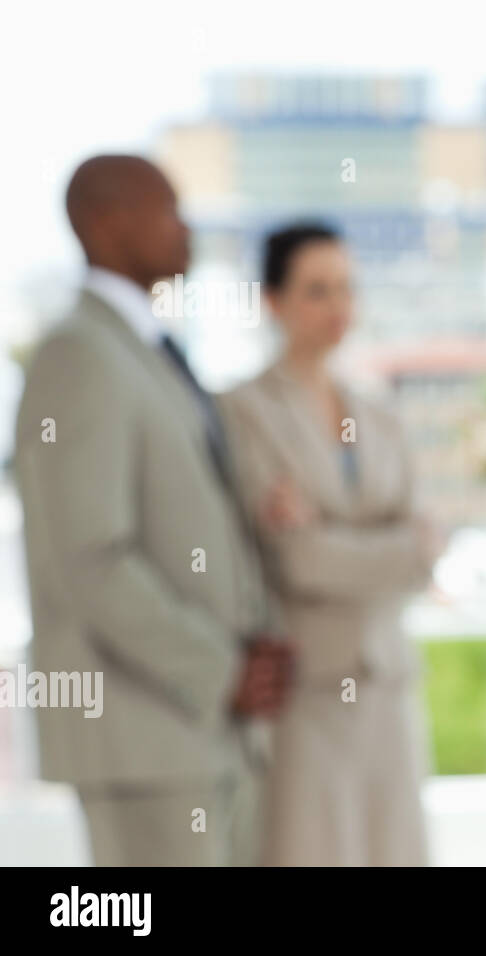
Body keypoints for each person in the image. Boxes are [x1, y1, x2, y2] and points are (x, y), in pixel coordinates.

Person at [13, 155, 290, 866]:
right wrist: (219, 666)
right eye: (168, 211)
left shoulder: (144, 348)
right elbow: (91, 558)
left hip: (197, 735)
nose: (185, 230)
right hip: (142, 739)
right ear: (104, 222)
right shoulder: (77, 355)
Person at [217, 223, 439, 866]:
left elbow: (423, 553)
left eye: (346, 287)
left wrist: (336, 536)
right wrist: (394, 547)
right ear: (274, 301)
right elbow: (298, 561)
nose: (338, 305)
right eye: (317, 290)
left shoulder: (379, 413)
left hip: (389, 687)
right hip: (305, 696)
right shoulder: (242, 410)